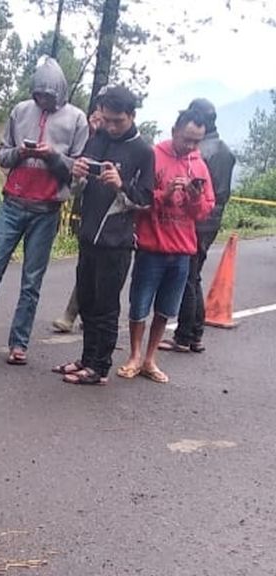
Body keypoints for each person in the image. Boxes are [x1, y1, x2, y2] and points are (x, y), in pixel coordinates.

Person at [0, 58, 89, 365]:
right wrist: (22, 152)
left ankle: (19, 344)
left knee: (31, 281)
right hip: (12, 204)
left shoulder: (77, 119)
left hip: (47, 209)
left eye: (49, 97)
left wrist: (53, 156)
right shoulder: (20, 111)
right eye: (39, 95)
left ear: (61, 93)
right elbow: (2, 154)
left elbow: (79, 172)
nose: (44, 101)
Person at [54, 87, 155, 386]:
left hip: (117, 242)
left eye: (118, 121)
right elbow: (74, 187)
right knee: (85, 301)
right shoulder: (97, 138)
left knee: (105, 306)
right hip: (87, 236)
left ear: (132, 116)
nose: (111, 126)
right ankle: (86, 359)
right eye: (107, 119)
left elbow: (147, 200)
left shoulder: (143, 152)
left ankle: (100, 367)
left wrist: (120, 185)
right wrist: (78, 172)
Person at [116, 108, 214, 384]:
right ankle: (134, 355)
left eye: (197, 141)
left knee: (165, 309)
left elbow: (205, 209)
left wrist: (194, 196)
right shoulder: (154, 156)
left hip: (182, 250)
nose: (191, 146)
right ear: (174, 131)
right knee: (140, 304)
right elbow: (138, 200)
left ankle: (150, 359)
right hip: (152, 246)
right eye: (187, 139)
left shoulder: (199, 164)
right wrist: (165, 192)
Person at [160, 98, 236, 354]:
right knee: (195, 276)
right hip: (214, 220)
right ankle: (194, 335)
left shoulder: (199, 152)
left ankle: (186, 335)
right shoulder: (224, 149)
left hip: (196, 220)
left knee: (188, 278)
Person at [53, 107, 104, 332]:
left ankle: (89, 314)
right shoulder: (86, 139)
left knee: (105, 269)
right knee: (86, 264)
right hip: (90, 207)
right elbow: (73, 183)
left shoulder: (127, 143)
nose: (99, 118)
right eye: (97, 112)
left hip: (114, 215)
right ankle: (71, 314)